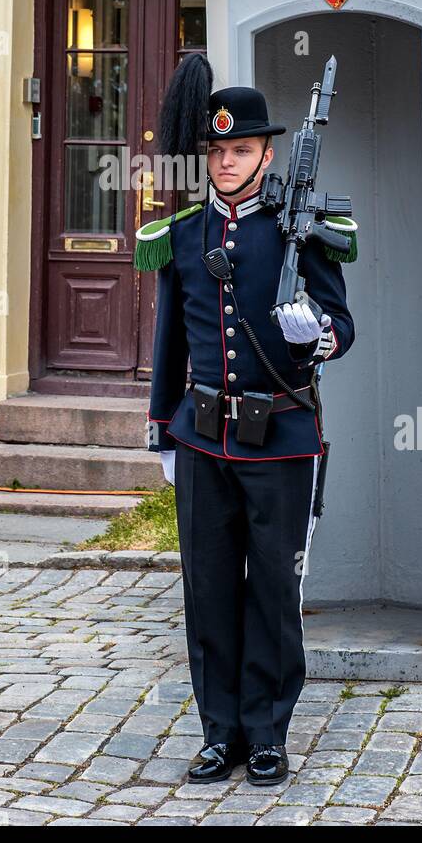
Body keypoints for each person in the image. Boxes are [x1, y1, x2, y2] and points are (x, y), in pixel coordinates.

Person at [135, 57, 356, 787]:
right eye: (217, 151)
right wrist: (163, 430)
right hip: (202, 439)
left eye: (241, 150)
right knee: (206, 592)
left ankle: (266, 732)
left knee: (270, 591)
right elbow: (170, 340)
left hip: (282, 441)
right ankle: (218, 731)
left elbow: (342, 324)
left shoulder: (306, 230)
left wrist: (315, 333)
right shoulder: (184, 235)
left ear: (266, 154)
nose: (227, 162)